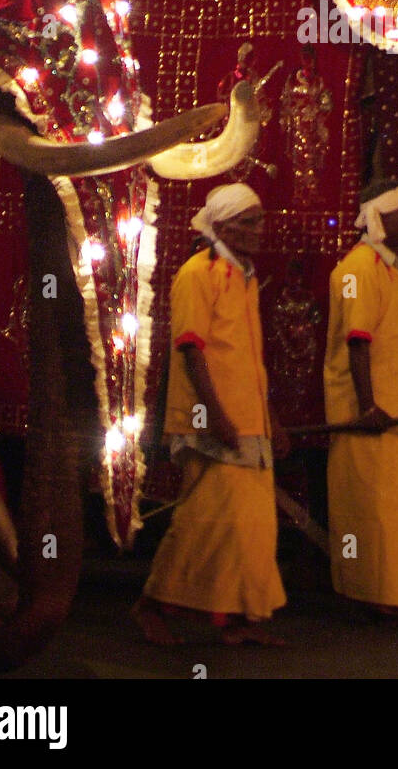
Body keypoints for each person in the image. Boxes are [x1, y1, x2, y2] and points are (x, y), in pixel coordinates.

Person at [134, 183, 288, 645]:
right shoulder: (196, 274)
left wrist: (270, 420)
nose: (259, 230)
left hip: (247, 421)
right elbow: (190, 350)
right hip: (213, 422)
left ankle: (237, 620)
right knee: (203, 523)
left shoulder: (242, 276)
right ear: (220, 226)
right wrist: (216, 416)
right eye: (249, 221)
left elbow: (248, 360)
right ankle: (150, 606)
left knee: (252, 527)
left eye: (259, 220)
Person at [323, 179, 398, 620]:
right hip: (371, 418)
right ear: (379, 219)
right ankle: (375, 596)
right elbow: (358, 342)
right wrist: (367, 406)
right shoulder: (357, 272)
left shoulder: (393, 271)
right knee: (374, 517)